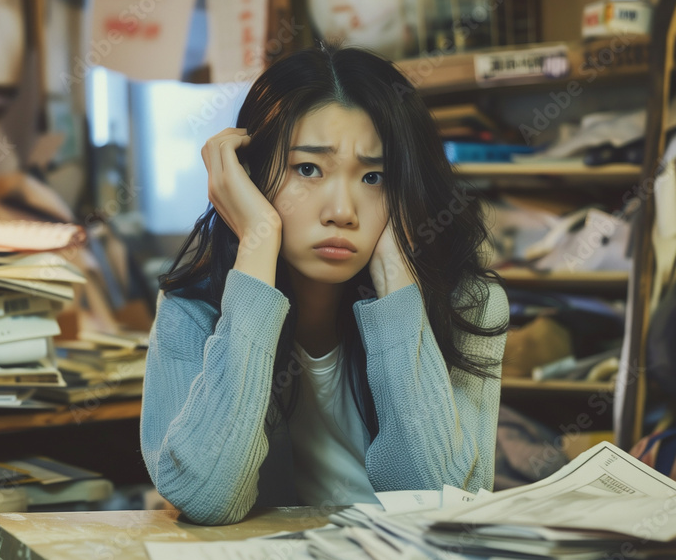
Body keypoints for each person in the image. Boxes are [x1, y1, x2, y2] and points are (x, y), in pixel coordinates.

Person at [140, 44, 510, 526]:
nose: (342, 210)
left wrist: (397, 281)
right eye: (308, 169)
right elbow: (208, 497)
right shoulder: (194, 303)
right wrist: (257, 243)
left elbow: (439, 503)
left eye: (374, 176)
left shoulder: (472, 305)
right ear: (251, 179)